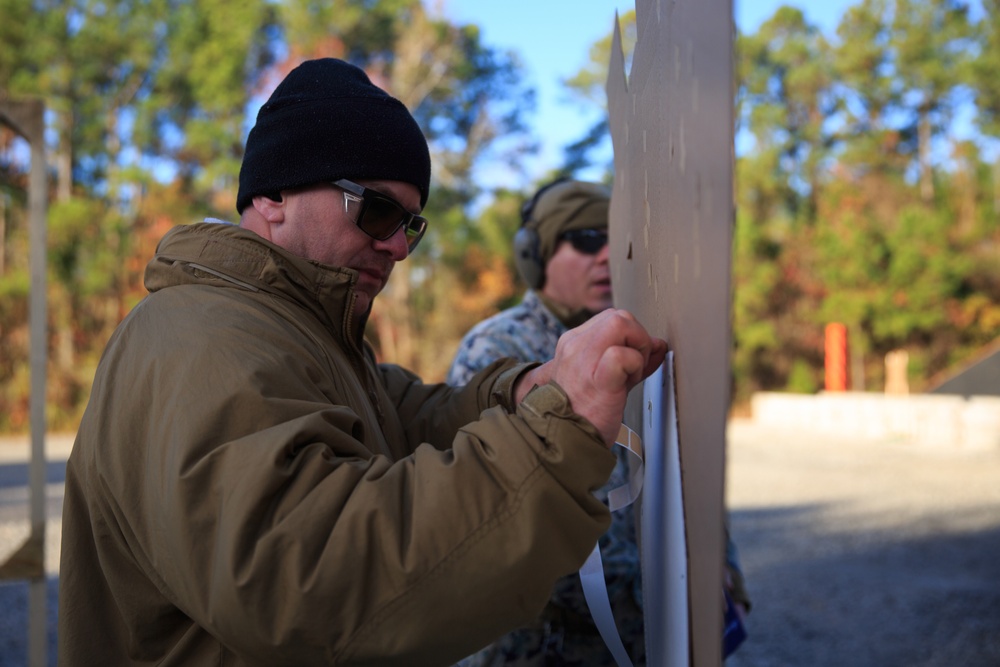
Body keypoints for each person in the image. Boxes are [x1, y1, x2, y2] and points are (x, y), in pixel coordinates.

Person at [57, 58, 667, 667]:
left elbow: (412, 417)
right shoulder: (200, 339)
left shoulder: (298, 335)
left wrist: (532, 388)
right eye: (376, 211)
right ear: (274, 195)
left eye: (409, 224)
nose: (398, 246)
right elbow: (311, 583)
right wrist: (562, 427)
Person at [448, 179, 752, 666]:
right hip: (547, 646)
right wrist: (650, 589)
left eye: (616, 240)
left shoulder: (644, 339)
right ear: (536, 254)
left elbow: (690, 471)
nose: (608, 255)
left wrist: (722, 572)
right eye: (587, 239)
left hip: (652, 634)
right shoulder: (499, 351)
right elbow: (505, 515)